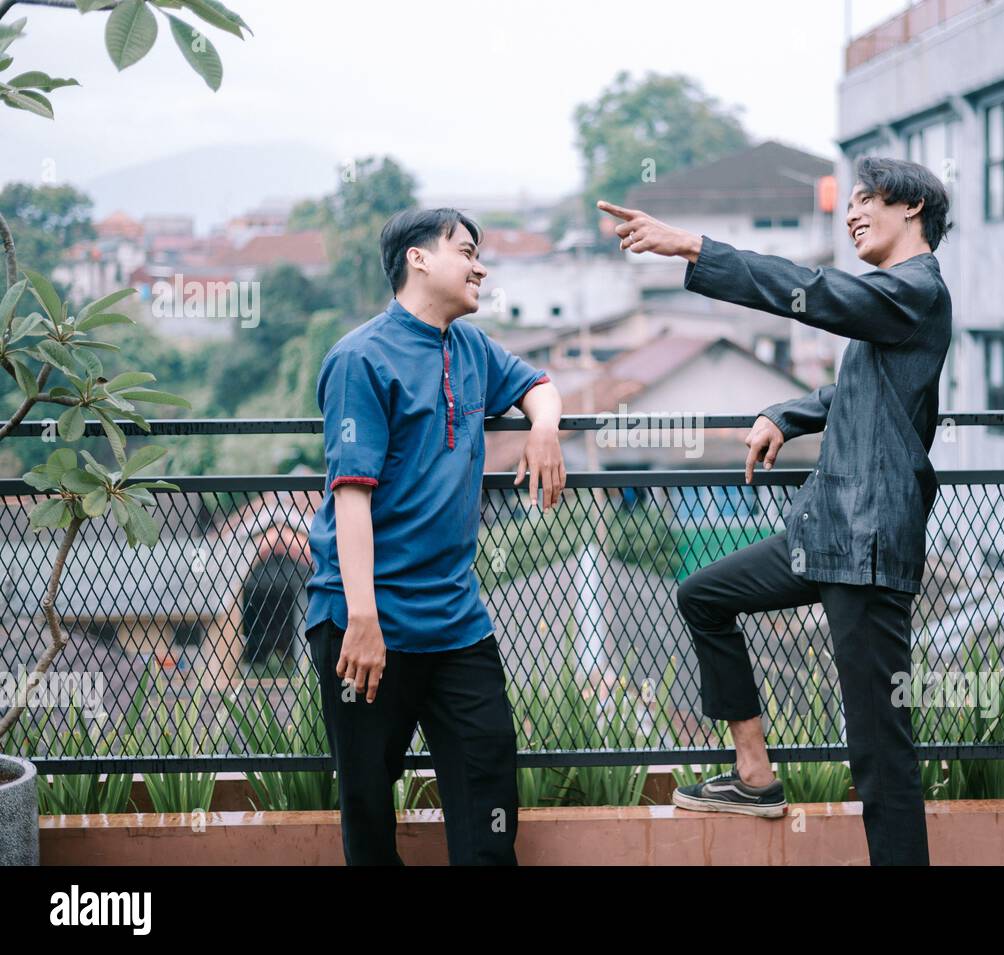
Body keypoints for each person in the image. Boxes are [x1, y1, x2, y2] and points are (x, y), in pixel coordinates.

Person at [597, 156, 952, 865]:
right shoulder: (892, 305)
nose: (851, 214)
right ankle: (754, 772)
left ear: (911, 206)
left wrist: (694, 246)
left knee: (880, 750)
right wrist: (784, 413)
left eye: (865, 200)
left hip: (868, 545)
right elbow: (854, 394)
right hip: (825, 532)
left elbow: (809, 290)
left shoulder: (917, 291)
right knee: (703, 594)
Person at [304, 208, 566, 865]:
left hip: (457, 621)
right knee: (367, 800)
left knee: (490, 786)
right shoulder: (360, 358)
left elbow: (539, 384)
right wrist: (362, 618)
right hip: (366, 620)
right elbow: (352, 496)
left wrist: (543, 427)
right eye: (467, 251)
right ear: (418, 259)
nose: (480, 266)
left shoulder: (471, 348)